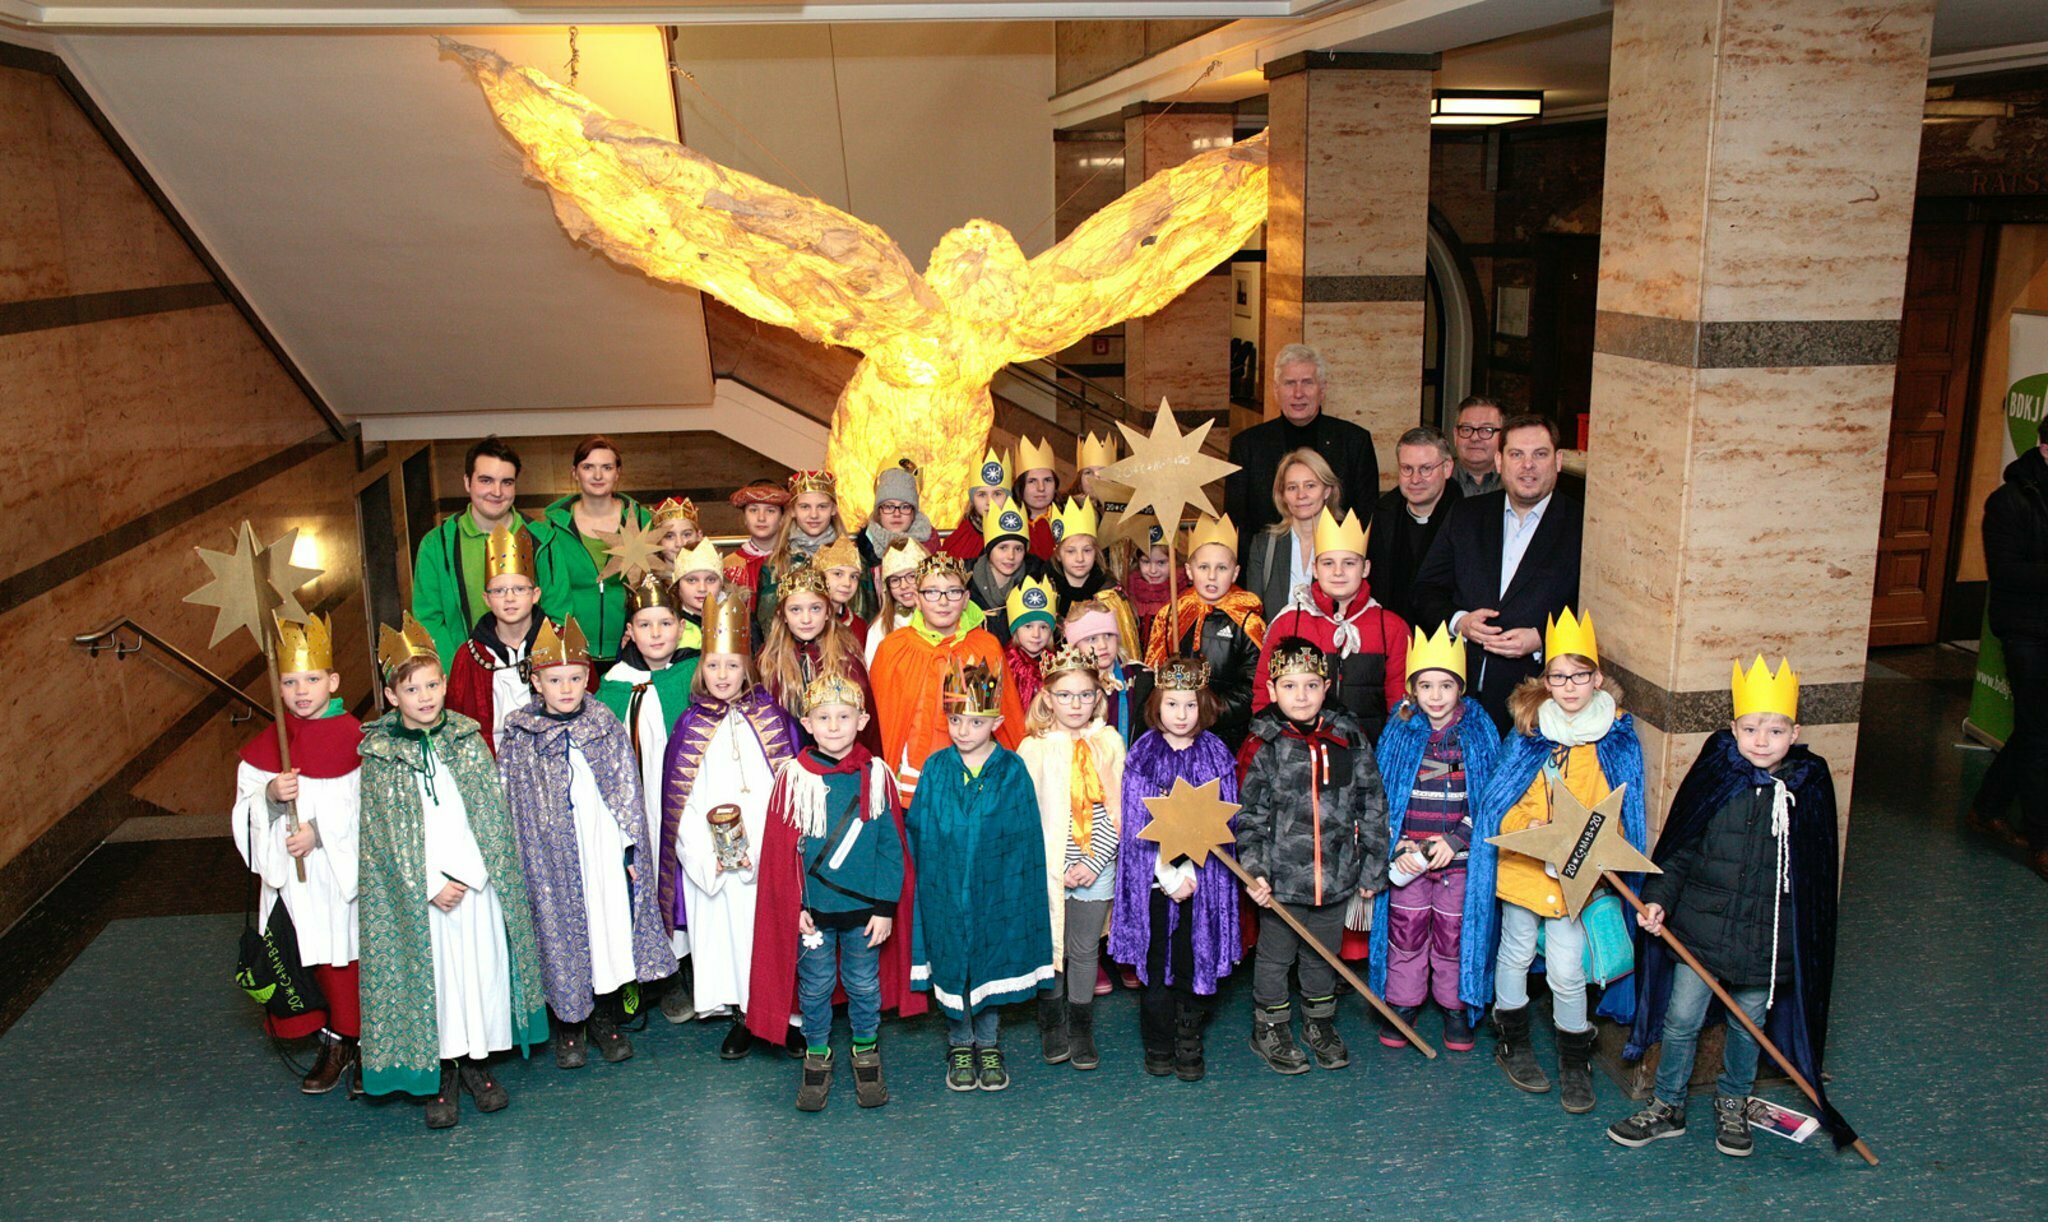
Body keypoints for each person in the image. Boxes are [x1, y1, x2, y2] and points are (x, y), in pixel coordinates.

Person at [1611, 657, 1850, 1158]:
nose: (1761, 740)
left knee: (1748, 1027)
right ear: (1733, 728)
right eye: (1750, 728)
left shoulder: (1807, 787)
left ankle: (1735, 1102)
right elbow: (1679, 851)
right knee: (1681, 1021)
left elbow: (1814, 879)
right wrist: (1657, 902)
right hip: (1699, 931)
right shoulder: (1716, 777)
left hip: (1767, 940)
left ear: (1795, 732)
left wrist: (1796, 940)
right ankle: (1668, 1105)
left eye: (1775, 729)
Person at [356, 614, 548, 1129]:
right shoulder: (379, 753)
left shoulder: (467, 737)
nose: (425, 696)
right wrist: (429, 885)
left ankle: (477, 1064)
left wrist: (473, 872)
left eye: (433, 684)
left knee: (477, 973)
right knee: (436, 979)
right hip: (422, 894)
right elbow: (382, 836)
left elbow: (489, 811)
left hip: (476, 882)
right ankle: (440, 1071)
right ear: (393, 696)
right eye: (411, 688)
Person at [1464, 609, 1646, 1115]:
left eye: (1580, 676)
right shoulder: (1529, 731)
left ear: (1598, 678)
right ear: (1546, 680)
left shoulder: (1612, 738)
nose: (1569, 687)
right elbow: (1503, 801)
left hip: (1578, 877)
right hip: (1524, 870)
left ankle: (1574, 1057)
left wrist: (1581, 849)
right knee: (1516, 951)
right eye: (1559, 677)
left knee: (1568, 968)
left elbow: (1621, 811)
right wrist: (1532, 835)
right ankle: (1512, 1040)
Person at [497, 617, 676, 1070]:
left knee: (604, 928)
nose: (566, 688)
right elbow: (510, 800)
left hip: (599, 849)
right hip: (550, 858)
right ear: (536, 681)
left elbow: (625, 791)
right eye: (555, 680)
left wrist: (630, 849)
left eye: (575, 678)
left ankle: (602, 1017)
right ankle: (569, 1026)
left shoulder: (603, 724)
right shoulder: (520, 734)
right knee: (558, 932)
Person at [748, 674, 907, 1111]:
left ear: (862, 720)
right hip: (813, 913)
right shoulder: (793, 778)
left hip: (864, 913)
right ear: (807, 722)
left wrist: (886, 907)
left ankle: (865, 1049)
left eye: (844, 716)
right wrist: (794, 904)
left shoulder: (877, 776)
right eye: (823, 717)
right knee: (815, 987)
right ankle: (817, 1054)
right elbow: (782, 855)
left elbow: (893, 851)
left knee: (863, 984)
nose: (834, 726)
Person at [659, 586, 801, 1058]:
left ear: (748, 667)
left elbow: (791, 789)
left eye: (732, 665)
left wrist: (772, 850)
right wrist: (709, 857)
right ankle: (743, 1015)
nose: (723, 675)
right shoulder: (688, 726)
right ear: (702, 668)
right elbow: (680, 806)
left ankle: (786, 1017)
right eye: (714, 666)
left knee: (774, 932)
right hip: (716, 860)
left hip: (769, 851)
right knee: (728, 936)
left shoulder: (774, 718)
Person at [1235, 638, 1388, 1075]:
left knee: (1323, 955)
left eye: (1310, 685)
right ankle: (1270, 1026)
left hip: (1337, 876)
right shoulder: (1263, 744)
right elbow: (1250, 817)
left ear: (1326, 687)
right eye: (1289, 686)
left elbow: (1372, 801)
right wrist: (1255, 872)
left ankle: (1319, 1024)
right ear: (1272, 688)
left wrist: (1372, 865)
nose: (1300, 696)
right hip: (1281, 883)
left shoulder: (1347, 735)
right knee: (1275, 957)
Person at [905, 661, 1054, 1093]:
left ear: (997, 722)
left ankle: (988, 1042)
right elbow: (921, 828)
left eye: (975, 721)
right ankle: (960, 1042)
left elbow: (1025, 835)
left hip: (999, 888)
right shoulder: (935, 768)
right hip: (945, 887)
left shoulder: (1012, 770)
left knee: (990, 960)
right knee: (954, 961)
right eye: (955, 720)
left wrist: (1010, 884)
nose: (963, 730)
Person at [231, 613, 362, 1094]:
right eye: (290, 682)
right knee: (301, 954)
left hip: (337, 875)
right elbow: (244, 812)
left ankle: (357, 1039)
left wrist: (322, 835)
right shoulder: (267, 749)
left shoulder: (356, 739)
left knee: (345, 955)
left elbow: (371, 808)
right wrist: (268, 794)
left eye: (311, 679)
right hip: (291, 878)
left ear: (333, 681)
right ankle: (333, 1041)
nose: (301, 691)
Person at [1108, 657, 1243, 1082]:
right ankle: (1158, 1040)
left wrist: (1195, 877)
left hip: (1203, 884)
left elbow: (1226, 825)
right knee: (1157, 960)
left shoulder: (1216, 755)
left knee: (1190, 956)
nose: (1181, 715)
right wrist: (1169, 877)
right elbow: (1138, 826)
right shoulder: (1144, 755)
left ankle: (1189, 1036)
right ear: (1157, 705)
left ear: (1203, 705)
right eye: (1172, 705)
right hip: (1156, 884)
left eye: (1189, 705)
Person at [1368, 626, 1501, 1054]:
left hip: (1458, 863)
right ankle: (1403, 1004)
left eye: (1446, 685)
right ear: (1413, 689)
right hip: (1409, 861)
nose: (1436, 696)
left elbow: (1490, 801)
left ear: (1460, 688)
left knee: (1452, 935)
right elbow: (1384, 795)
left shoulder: (1478, 734)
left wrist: (1458, 840)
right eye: (1426, 685)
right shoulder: (1401, 732)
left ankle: (1454, 1005)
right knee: (1405, 933)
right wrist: (1402, 843)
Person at [1412, 413, 1584, 731]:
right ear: (1500, 461)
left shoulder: (1582, 526)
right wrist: (1459, 621)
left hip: (1539, 711)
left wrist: (1543, 640)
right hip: (1456, 705)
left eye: (1540, 454)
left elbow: (1596, 611)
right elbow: (1425, 590)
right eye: (1517, 454)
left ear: (1559, 460)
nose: (1527, 465)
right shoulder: (1466, 515)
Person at [593, 572, 700, 1023]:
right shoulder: (613, 686)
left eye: (665, 623)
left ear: (680, 626)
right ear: (629, 632)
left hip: (687, 805)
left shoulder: (696, 672)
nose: (656, 634)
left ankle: (689, 967)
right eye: (645, 624)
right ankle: (654, 977)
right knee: (641, 882)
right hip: (637, 811)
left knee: (689, 883)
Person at [1017, 644, 1126, 1072]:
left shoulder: (1110, 742)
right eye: (1065, 695)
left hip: (1096, 864)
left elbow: (1117, 809)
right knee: (1051, 948)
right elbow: (1030, 815)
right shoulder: (1033, 748)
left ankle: (1080, 1026)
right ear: (1047, 697)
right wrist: (1060, 868)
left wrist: (1093, 861)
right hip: (1050, 868)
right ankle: (1051, 1023)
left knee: (1083, 949)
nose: (1075, 704)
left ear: (1098, 696)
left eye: (1085, 694)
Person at [869, 553, 1026, 801]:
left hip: (971, 779)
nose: (943, 602)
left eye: (953, 592)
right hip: (909, 781)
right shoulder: (893, 648)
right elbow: (880, 725)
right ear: (918, 600)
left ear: (965, 599)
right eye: (932, 592)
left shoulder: (984, 647)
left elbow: (1007, 718)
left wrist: (1020, 775)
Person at [1254, 508, 1408, 745]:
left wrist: (1395, 751)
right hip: (1297, 754)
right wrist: (1268, 743)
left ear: (1365, 568)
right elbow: (1264, 692)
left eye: (1349, 563)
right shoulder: (1289, 622)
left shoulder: (1391, 628)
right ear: (1315, 569)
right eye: (1328, 563)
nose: (1338, 572)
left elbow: (1400, 701)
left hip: (1370, 752)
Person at [1972, 425, 2048, 880]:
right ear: (2044, 446)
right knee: (2041, 738)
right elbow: (2006, 571)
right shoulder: (2008, 501)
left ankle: (1987, 806)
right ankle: (2042, 840)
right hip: (2027, 631)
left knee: (2036, 729)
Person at [412, 436, 560, 665]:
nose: (497, 491)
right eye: (486, 480)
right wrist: (461, 674)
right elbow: (429, 621)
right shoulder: (437, 545)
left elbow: (558, 613)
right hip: (464, 679)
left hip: (534, 679)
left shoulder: (543, 541)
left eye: (507, 482)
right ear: (467, 482)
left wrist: (540, 672)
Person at [1224, 344, 1378, 538]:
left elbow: (1365, 520)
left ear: (1322, 390)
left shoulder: (1355, 442)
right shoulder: (1246, 447)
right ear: (1276, 390)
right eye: (1289, 383)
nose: (1298, 393)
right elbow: (1236, 527)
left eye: (1307, 382)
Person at [1145, 515, 1266, 751]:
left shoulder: (1248, 623)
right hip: (1175, 734)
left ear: (1235, 572)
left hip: (1227, 736)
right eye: (1203, 567)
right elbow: (1154, 673)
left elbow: (1253, 686)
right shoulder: (1171, 615)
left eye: (1221, 568)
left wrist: (1208, 712)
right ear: (1189, 571)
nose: (1212, 576)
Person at [539, 436, 652, 667]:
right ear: (575, 472)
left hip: (634, 648)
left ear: (618, 472)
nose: (598, 476)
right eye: (588, 467)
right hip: (570, 652)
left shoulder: (641, 520)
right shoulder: (552, 528)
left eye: (607, 467)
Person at [444, 523, 546, 757]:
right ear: (486, 599)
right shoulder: (470, 655)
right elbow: (457, 724)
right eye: (499, 591)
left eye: (520, 589)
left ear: (535, 595)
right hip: (493, 764)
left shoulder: (561, 645)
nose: (509, 598)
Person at [758, 565, 882, 758]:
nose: (806, 619)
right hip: (785, 764)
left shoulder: (846, 657)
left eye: (815, 608)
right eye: (795, 610)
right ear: (782, 615)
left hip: (840, 763)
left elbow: (868, 729)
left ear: (827, 612)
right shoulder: (767, 660)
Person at [1369, 427, 1463, 626]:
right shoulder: (1381, 516)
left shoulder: (1468, 519)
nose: (1415, 479)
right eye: (1407, 468)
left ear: (1447, 468)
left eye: (1426, 469)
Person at [756, 470, 866, 637]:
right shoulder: (777, 564)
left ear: (834, 509)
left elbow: (864, 613)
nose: (814, 515)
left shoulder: (853, 560)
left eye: (822, 506)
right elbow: (767, 624)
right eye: (805, 507)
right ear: (792, 510)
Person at [1240, 448, 1342, 621]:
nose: (1301, 495)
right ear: (1282, 496)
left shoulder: (1345, 543)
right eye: (1292, 487)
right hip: (1275, 646)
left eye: (1310, 485)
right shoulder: (1263, 546)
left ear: (1327, 491)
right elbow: (1253, 615)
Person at [1046, 498, 1142, 658]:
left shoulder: (1110, 593)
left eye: (1087, 550)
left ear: (1096, 552)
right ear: (1058, 555)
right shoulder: (1047, 592)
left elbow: (1125, 651)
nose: (1080, 558)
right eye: (1071, 551)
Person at [1064, 599, 1152, 746]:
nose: (1103, 645)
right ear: (1075, 647)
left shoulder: (1141, 679)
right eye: (1092, 639)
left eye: (1108, 635)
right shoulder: (1065, 686)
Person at [967, 502, 1033, 643]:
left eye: (1018, 549)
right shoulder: (966, 581)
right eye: (1003, 548)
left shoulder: (1033, 582)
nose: (1011, 556)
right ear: (989, 550)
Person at [938, 445, 1014, 562]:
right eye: (982, 495)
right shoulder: (959, 541)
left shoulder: (1020, 538)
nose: (990, 502)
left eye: (997, 494)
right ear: (973, 500)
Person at [861, 459, 936, 574]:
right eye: (889, 507)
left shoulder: (931, 544)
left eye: (905, 507)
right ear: (879, 511)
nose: (897, 514)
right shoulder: (863, 550)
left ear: (913, 513)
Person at [722, 479, 789, 605]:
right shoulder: (727, 566)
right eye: (753, 510)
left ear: (782, 518)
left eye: (770, 511)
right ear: (744, 518)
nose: (761, 518)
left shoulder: (795, 562)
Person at [865, 537, 928, 669]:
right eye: (895, 580)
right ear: (886, 587)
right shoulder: (880, 628)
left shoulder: (943, 617)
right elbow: (873, 672)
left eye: (912, 576)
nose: (903, 585)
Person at [1003, 575, 1058, 711]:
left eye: (1043, 627)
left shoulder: (1057, 664)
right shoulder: (1005, 664)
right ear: (1016, 630)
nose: (1036, 634)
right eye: (1028, 626)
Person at [811, 534, 875, 643]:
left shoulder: (859, 626)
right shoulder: (804, 621)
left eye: (854, 576)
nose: (847, 583)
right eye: (838, 574)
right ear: (818, 576)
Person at [669, 537, 724, 655]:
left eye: (710, 580)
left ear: (721, 584)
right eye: (692, 580)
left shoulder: (740, 622)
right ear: (677, 584)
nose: (702, 588)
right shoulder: (665, 624)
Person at [1123, 529, 1174, 652]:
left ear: (1174, 560)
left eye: (1161, 563)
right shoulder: (1129, 591)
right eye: (1146, 562)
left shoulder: (1183, 594)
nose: (1153, 570)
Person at [1014, 436, 1062, 560]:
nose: (1041, 488)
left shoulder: (1069, 520)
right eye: (1032, 481)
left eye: (1047, 480)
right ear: (1020, 486)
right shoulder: (1009, 523)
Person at [1451, 395, 1505, 498]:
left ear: (1503, 436)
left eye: (1486, 430)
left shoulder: (1517, 482)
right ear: (1455, 435)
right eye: (1466, 429)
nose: (1475, 438)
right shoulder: (1437, 479)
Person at [650, 496, 704, 567]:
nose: (679, 544)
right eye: (669, 536)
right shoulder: (644, 577)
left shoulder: (717, 576)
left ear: (699, 536)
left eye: (686, 534)